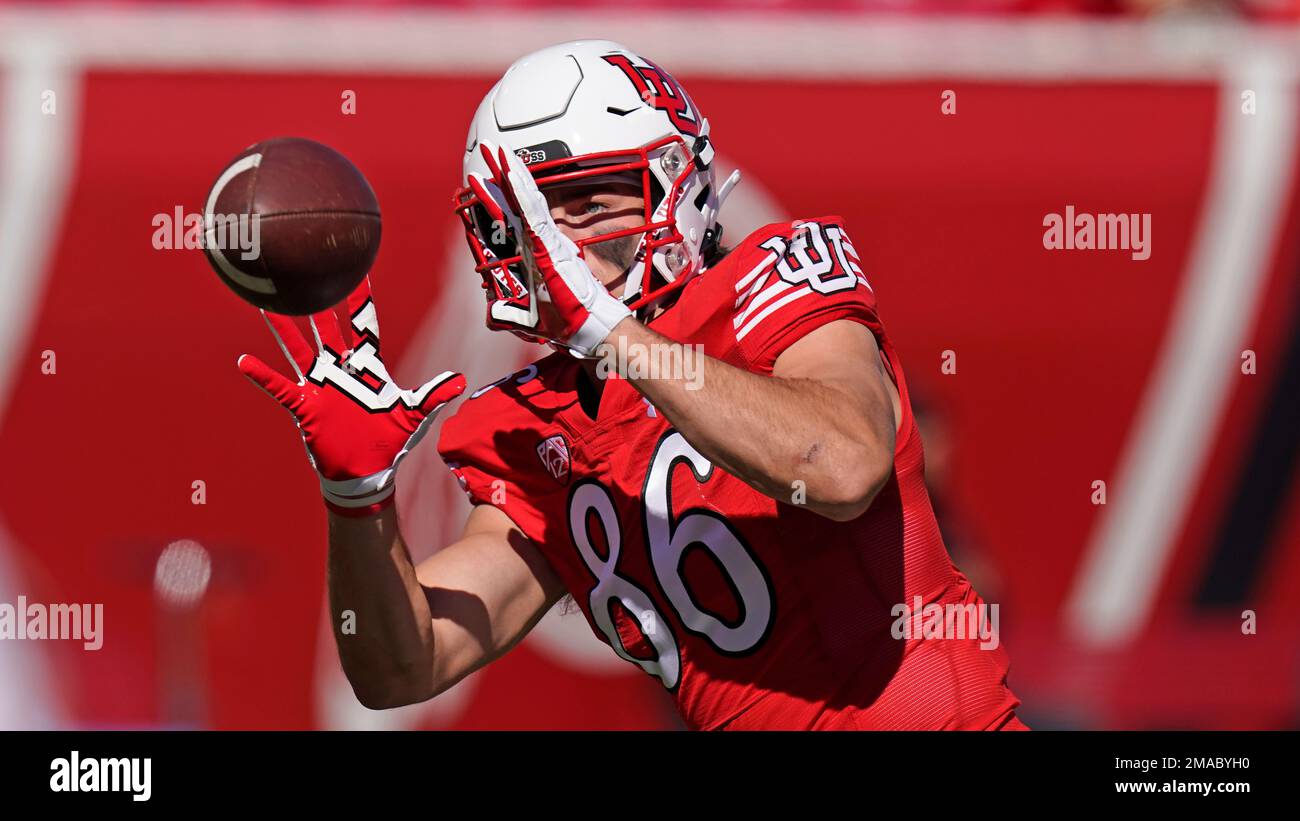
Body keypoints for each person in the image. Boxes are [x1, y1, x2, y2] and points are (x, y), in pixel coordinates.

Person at [238, 40, 1024, 730]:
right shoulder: (531, 433)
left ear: (678, 183)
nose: (561, 240)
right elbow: (401, 667)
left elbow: (843, 464)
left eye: (587, 199)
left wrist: (612, 337)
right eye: (533, 214)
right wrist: (358, 500)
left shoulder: (775, 281)